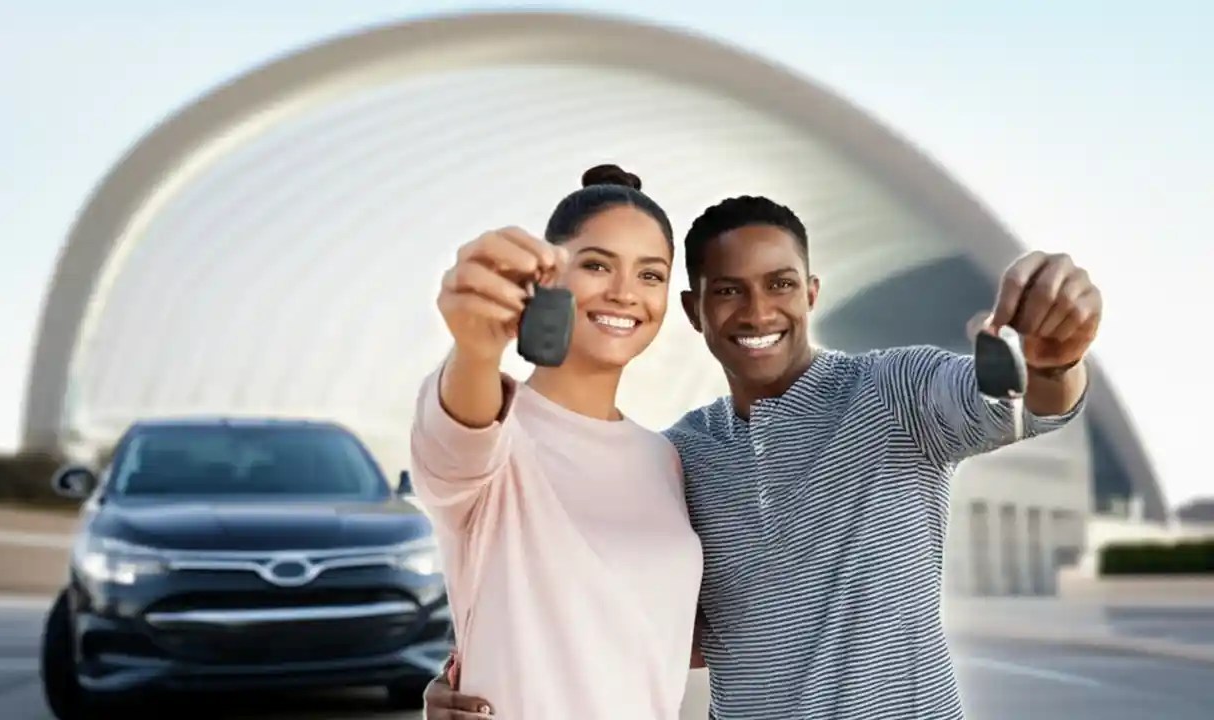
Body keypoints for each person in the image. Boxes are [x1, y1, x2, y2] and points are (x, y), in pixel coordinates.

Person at [424, 194, 1100, 719]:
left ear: (810, 292)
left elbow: (1014, 406)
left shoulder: (895, 392)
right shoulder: (680, 456)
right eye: (728, 290)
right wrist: (475, 669)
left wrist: (1057, 358)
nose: (757, 311)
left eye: (779, 284)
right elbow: (643, 619)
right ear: (693, 309)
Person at [408, 164, 704, 719]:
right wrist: (476, 349)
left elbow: (644, 634)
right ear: (548, 279)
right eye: (596, 265)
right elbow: (460, 435)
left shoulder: (664, 458)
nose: (624, 294)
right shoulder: (495, 431)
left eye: (651, 275)